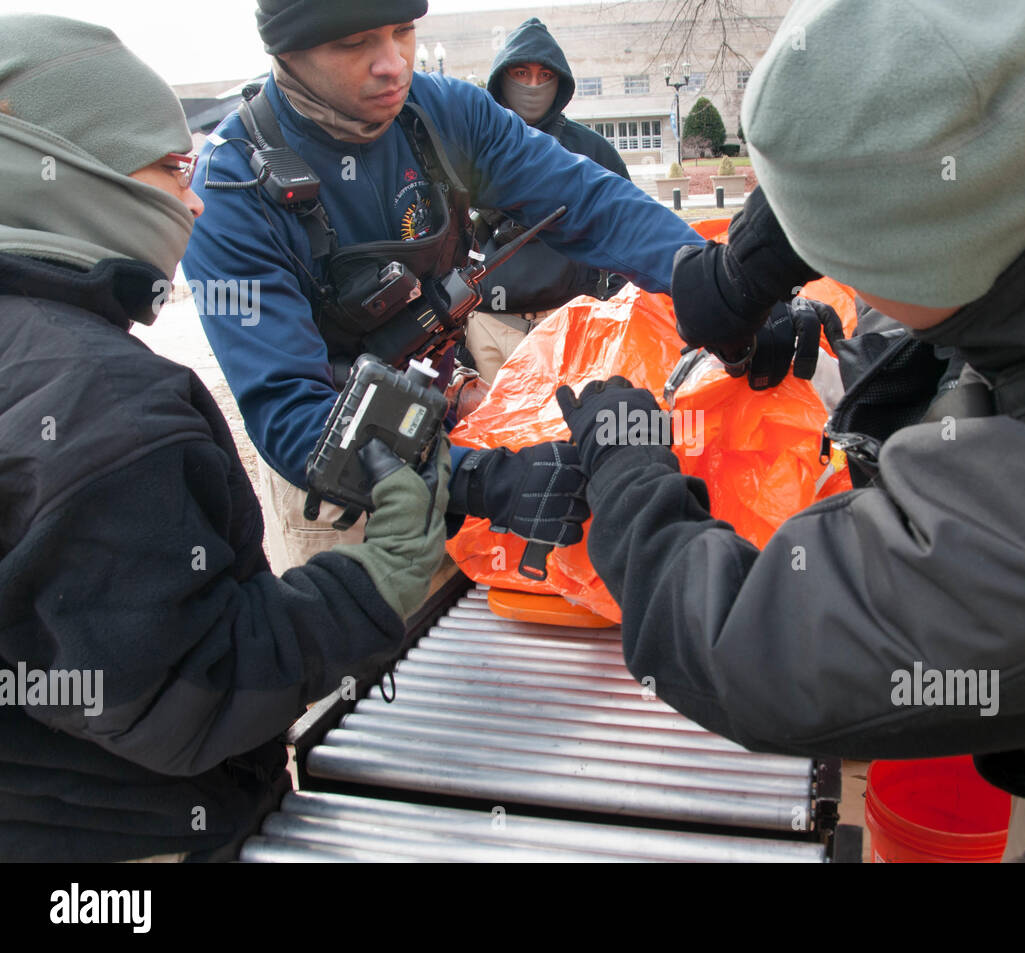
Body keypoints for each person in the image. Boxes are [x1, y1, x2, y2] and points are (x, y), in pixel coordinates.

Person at [557, 0, 1025, 862]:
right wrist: (744, 268)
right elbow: (981, 49)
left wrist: (625, 466)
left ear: (909, 265)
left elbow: (746, 653)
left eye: (844, 261)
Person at [0, 14, 588, 863]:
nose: (195, 199)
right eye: (171, 171)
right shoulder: (106, 410)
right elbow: (193, 690)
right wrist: (374, 583)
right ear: (72, 172)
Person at [183, 0, 703, 574]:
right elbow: (289, 411)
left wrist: (711, 279)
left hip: (449, 420)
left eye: (403, 31)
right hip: (336, 485)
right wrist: (477, 480)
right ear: (287, 51)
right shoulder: (231, 186)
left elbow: (587, 199)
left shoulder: (444, 113)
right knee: (363, 652)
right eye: (354, 44)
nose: (392, 64)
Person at [464, 16, 633, 384]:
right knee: (494, 440)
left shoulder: (590, 150)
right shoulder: (468, 150)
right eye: (521, 73)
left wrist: (609, 314)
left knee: (567, 437)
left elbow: (630, 231)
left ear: (560, 81)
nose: (533, 84)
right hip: (488, 328)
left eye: (544, 75)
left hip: (569, 326)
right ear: (502, 79)